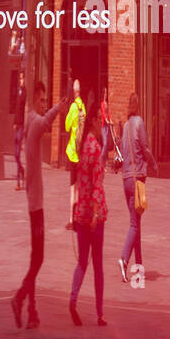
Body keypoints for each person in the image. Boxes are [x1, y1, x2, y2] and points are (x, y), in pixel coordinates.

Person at [12, 82, 66, 329]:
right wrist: (59, 107)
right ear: (34, 100)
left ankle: (32, 311)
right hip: (36, 205)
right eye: (42, 100)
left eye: (46, 101)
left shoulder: (30, 123)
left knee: (35, 257)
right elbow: (46, 123)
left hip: (35, 202)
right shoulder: (33, 122)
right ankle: (20, 298)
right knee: (39, 258)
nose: (44, 104)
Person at [70, 103, 108, 326]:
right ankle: (100, 313)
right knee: (98, 265)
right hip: (94, 215)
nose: (102, 121)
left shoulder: (83, 146)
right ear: (94, 120)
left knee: (82, 262)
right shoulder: (95, 148)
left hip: (81, 212)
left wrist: (77, 212)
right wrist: (95, 214)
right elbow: (96, 185)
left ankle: (73, 300)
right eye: (100, 118)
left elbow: (78, 182)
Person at [118, 93, 158, 286]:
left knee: (137, 224)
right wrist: (154, 164)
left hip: (125, 180)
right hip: (137, 179)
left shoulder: (125, 126)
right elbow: (146, 148)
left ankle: (139, 271)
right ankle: (124, 259)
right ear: (138, 106)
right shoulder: (138, 123)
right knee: (134, 225)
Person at [64, 78, 85, 228]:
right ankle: (80, 216)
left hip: (73, 153)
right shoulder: (83, 107)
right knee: (80, 186)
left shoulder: (72, 107)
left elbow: (66, 126)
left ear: (73, 91)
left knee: (73, 187)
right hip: (81, 153)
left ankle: (71, 219)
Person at [12, 71, 27, 191]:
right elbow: (16, 108)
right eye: (20, 78)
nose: (21, 80)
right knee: (15, 154)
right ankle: (21, 170)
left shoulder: (24, 92)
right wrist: (14, 122)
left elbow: (23, 107)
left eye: (22, 78)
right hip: (17, 124)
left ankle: (18, 181)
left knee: (17, 152)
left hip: (21, 125)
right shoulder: (18, 91)